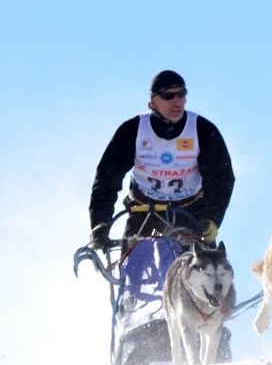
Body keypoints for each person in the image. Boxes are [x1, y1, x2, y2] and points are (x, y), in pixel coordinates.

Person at [88, 70, 235, 249]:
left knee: (201, 263)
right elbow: (107, 179)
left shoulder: (203, 131)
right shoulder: (132, 131)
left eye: (181, 94)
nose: (177, 101)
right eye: (168, 96)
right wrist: (100, 223)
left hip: (190, 211)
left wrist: (212, 218)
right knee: (134, 263)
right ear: (153, 102)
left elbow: (221, 179)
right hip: (143, 210)